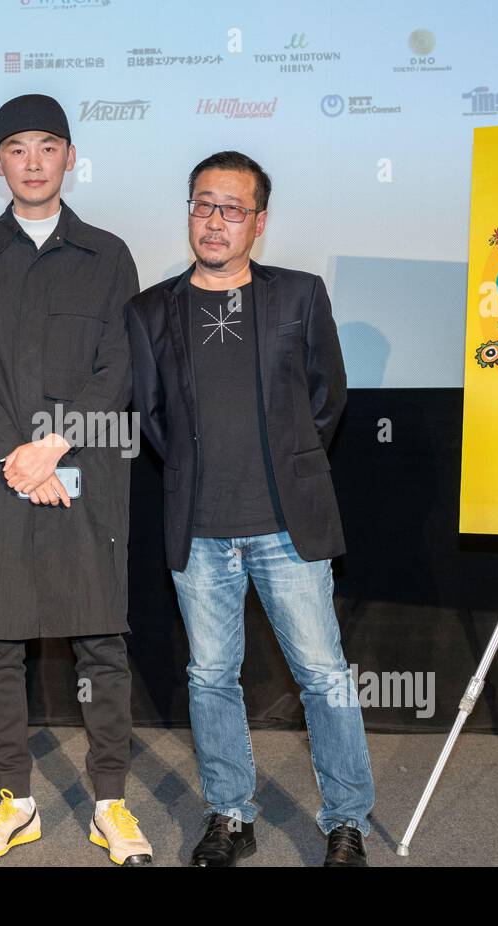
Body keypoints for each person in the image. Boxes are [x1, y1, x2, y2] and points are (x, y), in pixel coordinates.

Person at [127, 151, 375, 867]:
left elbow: (327, 399)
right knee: (211, 677)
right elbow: (154, 417)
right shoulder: (149, 309)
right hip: (199, 531)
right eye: (203, 204)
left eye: (231, 208)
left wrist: (290, 464)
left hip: (287, 527)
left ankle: (346, 821)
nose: (214, 220)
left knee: (324, 676)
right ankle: (231, 815)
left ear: (258, 223)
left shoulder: (300, 295)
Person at [0, 94, 152, 866]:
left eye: (47, 147)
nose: (32, 162)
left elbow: (118, 368)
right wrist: (17, 456)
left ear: (70, 157)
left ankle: (110, 804)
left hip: (85, 472)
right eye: (17, 149)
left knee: (101, 642)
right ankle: (15, 801)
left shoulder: (108, 254)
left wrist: (53, 447)